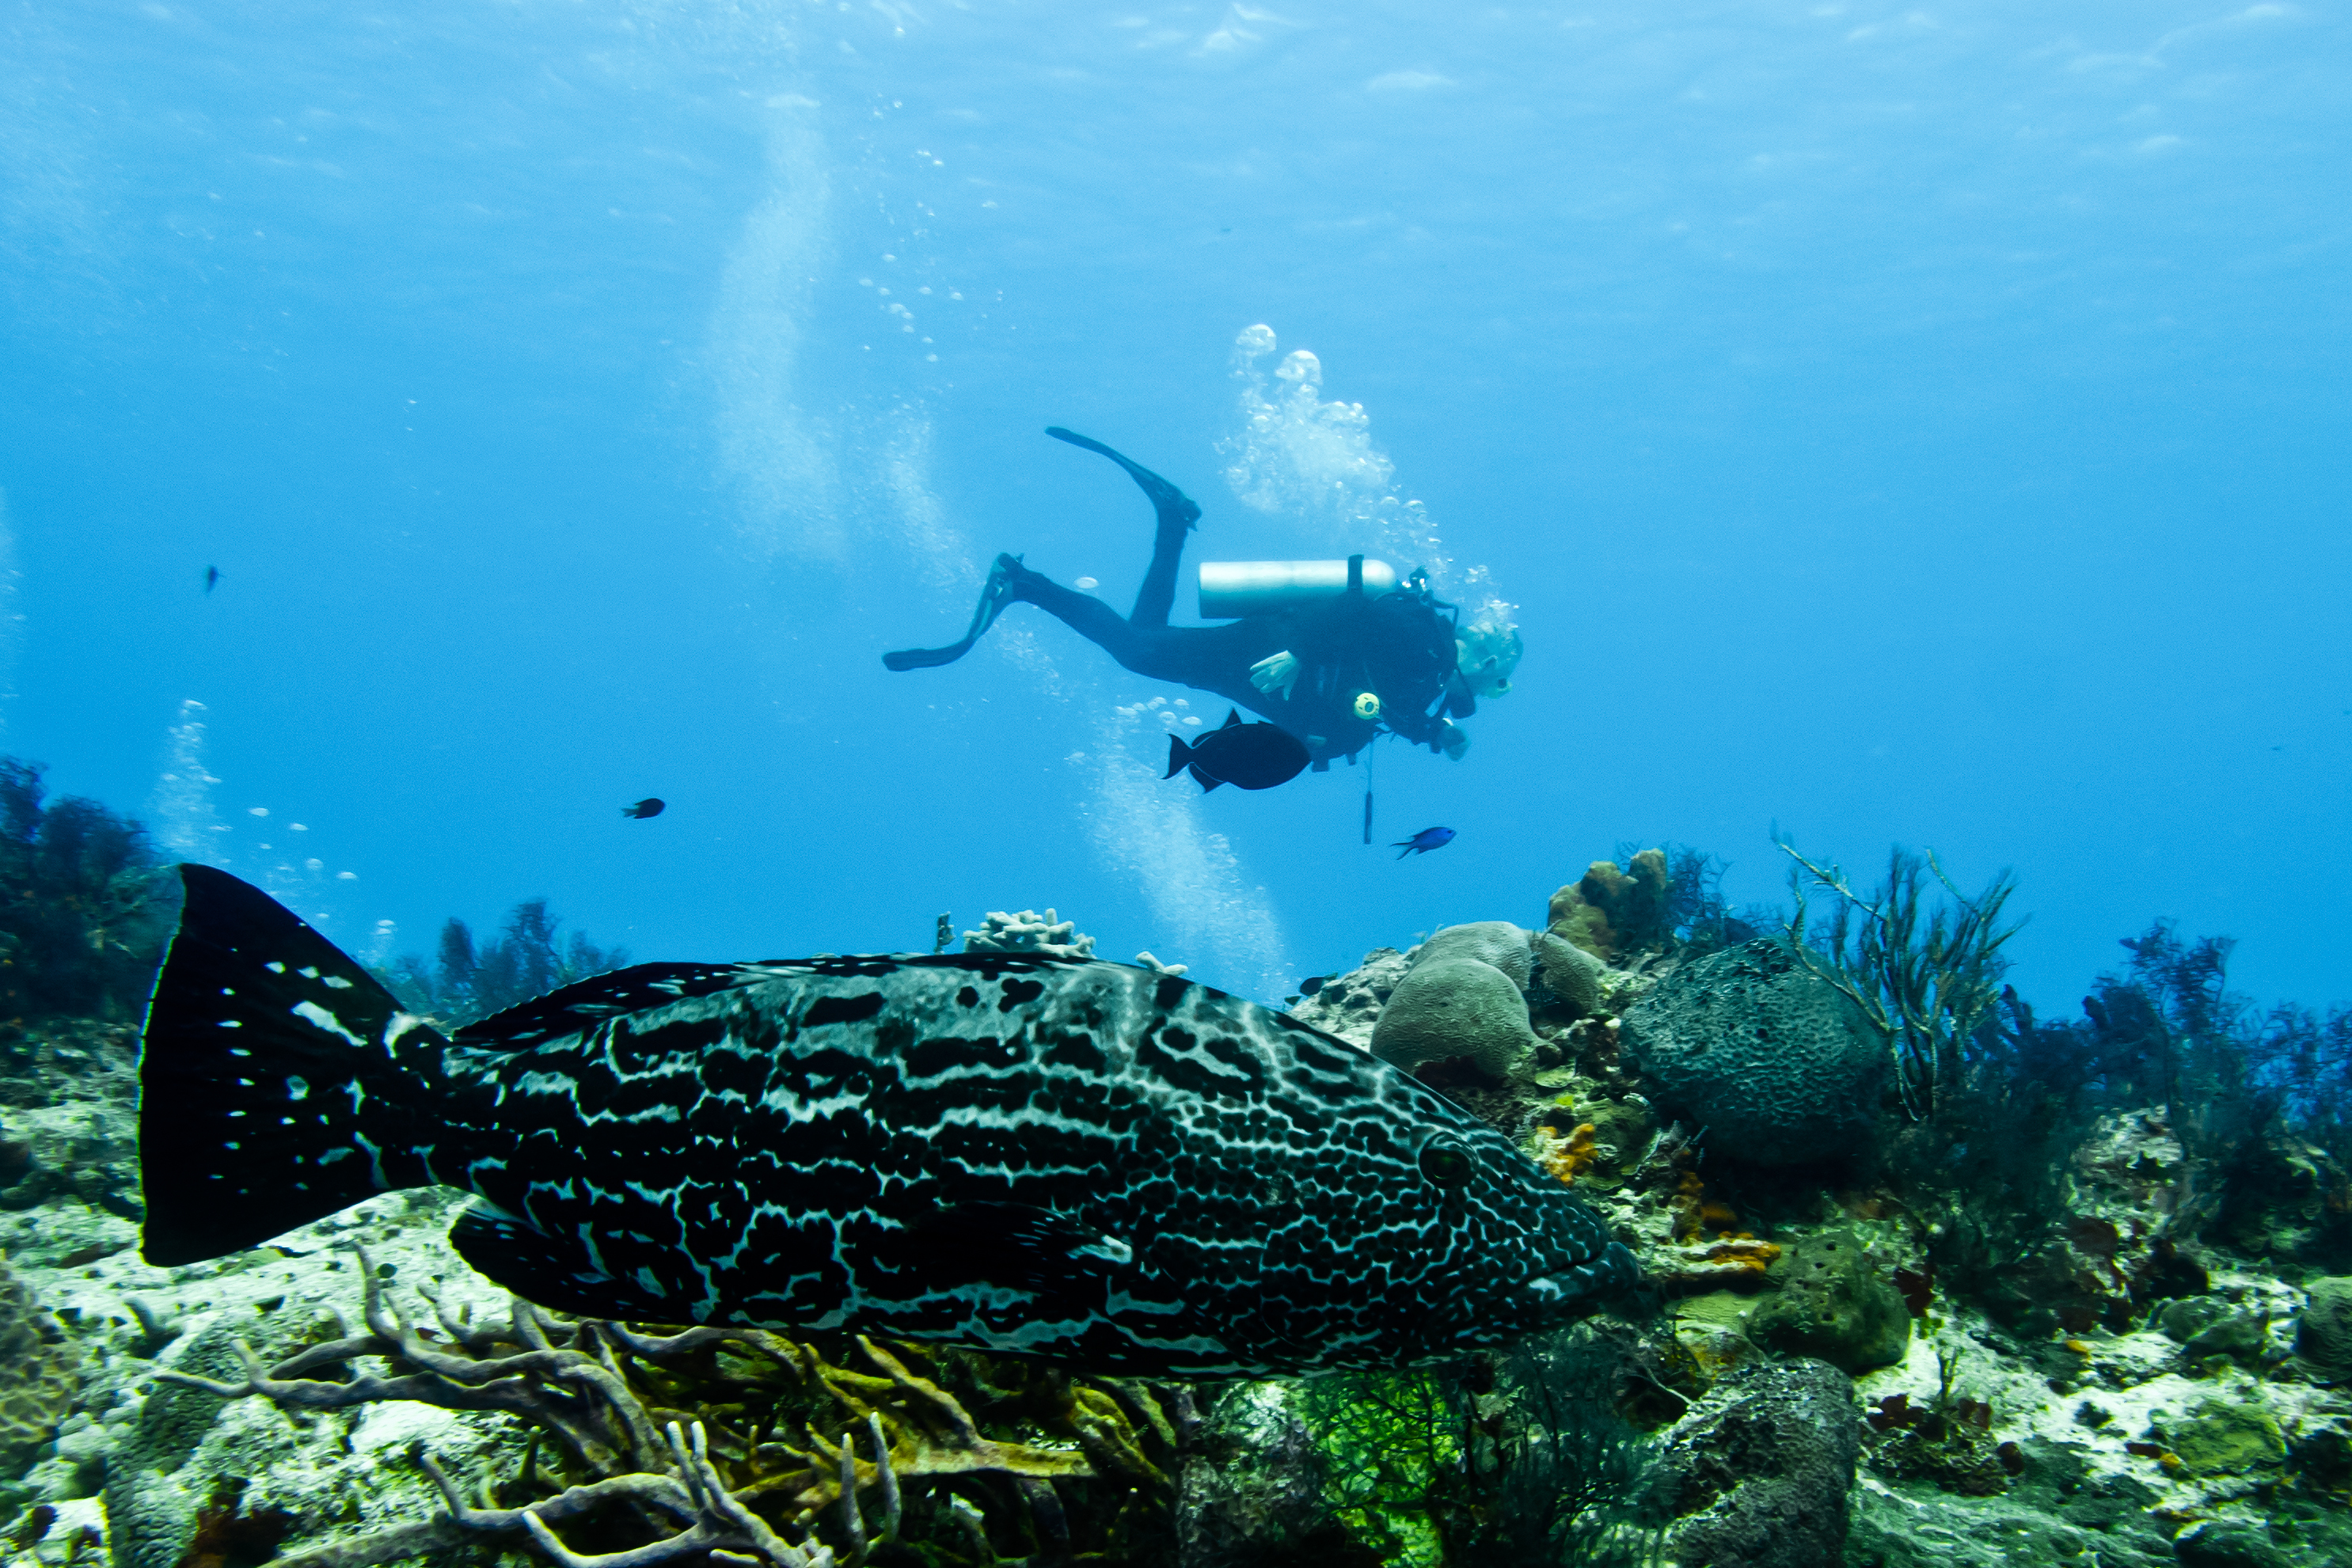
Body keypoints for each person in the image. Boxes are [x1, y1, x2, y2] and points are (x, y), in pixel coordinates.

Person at [884, 427, 1503, 769]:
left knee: (1145, 638)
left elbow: (1375, 705)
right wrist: (1297, 656)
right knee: (1136, 650)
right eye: (1493, 671)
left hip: (1271, 683)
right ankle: (1022, 583)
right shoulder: (1426, 639)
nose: (1486, 685)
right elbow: (1350, 606)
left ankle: (1172, 518)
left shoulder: (1426, 676)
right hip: (1272, 654)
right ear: (1475, 648)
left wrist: (1431, 734)